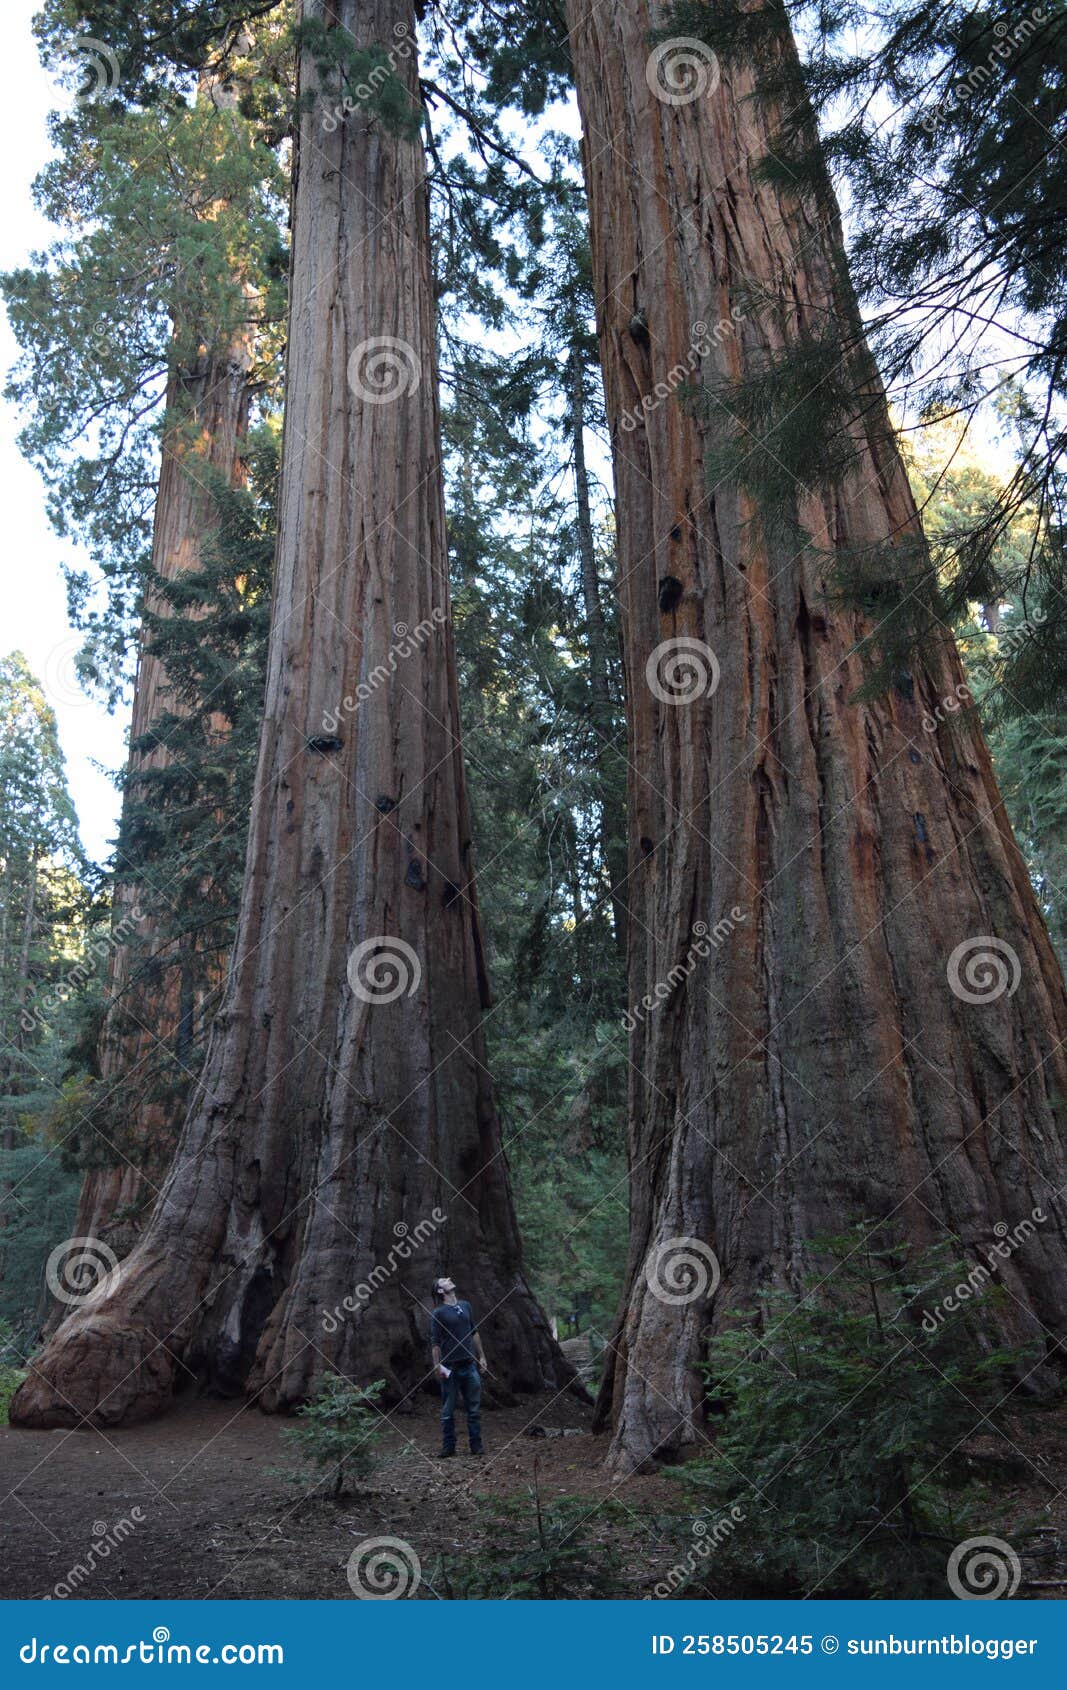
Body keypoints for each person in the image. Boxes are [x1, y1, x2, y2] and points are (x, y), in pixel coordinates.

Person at [430, 1274, 487, 1458]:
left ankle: (476, 1446)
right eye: (443, 1281)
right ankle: (448, 1447)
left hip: (469, 1366)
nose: (448, 1279)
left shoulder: (466, 1306)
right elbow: (435, 1343)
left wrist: (482, 1357)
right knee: (448, 1410)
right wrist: (436, 1365)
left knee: (474, 1409)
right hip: (450, 1368)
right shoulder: (438, 1313)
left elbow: (474, 1332)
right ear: (441, 1291)